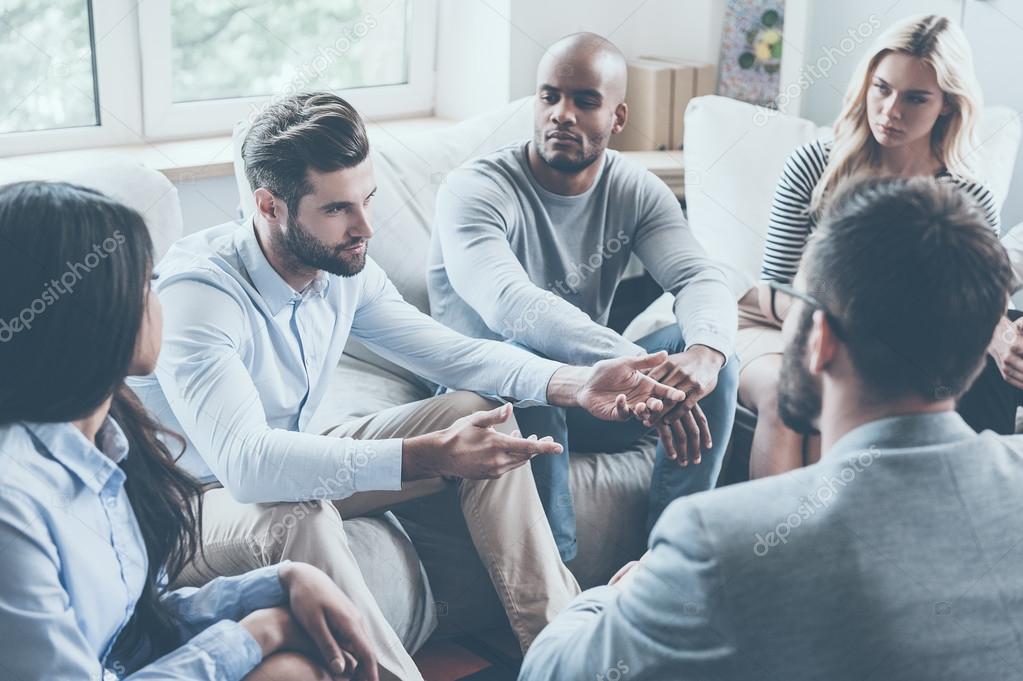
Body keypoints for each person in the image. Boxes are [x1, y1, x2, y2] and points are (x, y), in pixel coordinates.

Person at [127, 92, 687, 677]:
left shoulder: (341, 268)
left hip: (280, 468)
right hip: (185, 509)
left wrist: (573, 383)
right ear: (270, 206)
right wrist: (421, 457)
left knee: (473, 411)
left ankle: (564, 655)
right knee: (301, 515)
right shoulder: (199, 298)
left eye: (368, 199)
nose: (365, 227)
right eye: (338, 209)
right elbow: (248, 466)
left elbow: (450, 353)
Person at [520, 176, 1023, 681]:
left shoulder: (715, 543)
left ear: (819, 338)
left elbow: (550, 673)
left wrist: (617, 596)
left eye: (794, 302)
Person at [0, 181, 380, 681]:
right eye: (145, 283)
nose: (159, 300)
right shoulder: (15, 505)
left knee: (295, 664)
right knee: (289, 668)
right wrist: (257, 632)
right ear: (92, 310)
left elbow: (131, 632)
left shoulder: (114, 442)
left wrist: (283, 580)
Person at [427, 32, 739, 561]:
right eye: (550, 96)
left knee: (714, 359)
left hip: (599, 395)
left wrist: (706, 355)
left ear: (618, 117)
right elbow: (510, 303)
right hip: (487, 395)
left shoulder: (634, 189)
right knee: (535, 374)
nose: (562, 115)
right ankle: (560, 598)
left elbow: (699, 278)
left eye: (584, 101)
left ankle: (666, 567)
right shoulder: (475, 188)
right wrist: (635, 370)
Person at [738, 13, 1018, 479]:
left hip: (904, 343)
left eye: (915, 98)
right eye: (882, 88)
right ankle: (781, 541)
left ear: (947, 104)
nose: (891, 111)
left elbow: (982, 304)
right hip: (793, 323)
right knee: (797, 392)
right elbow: (779, 283)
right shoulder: (815, 165)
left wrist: (1005, 339)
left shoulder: (968, 198)